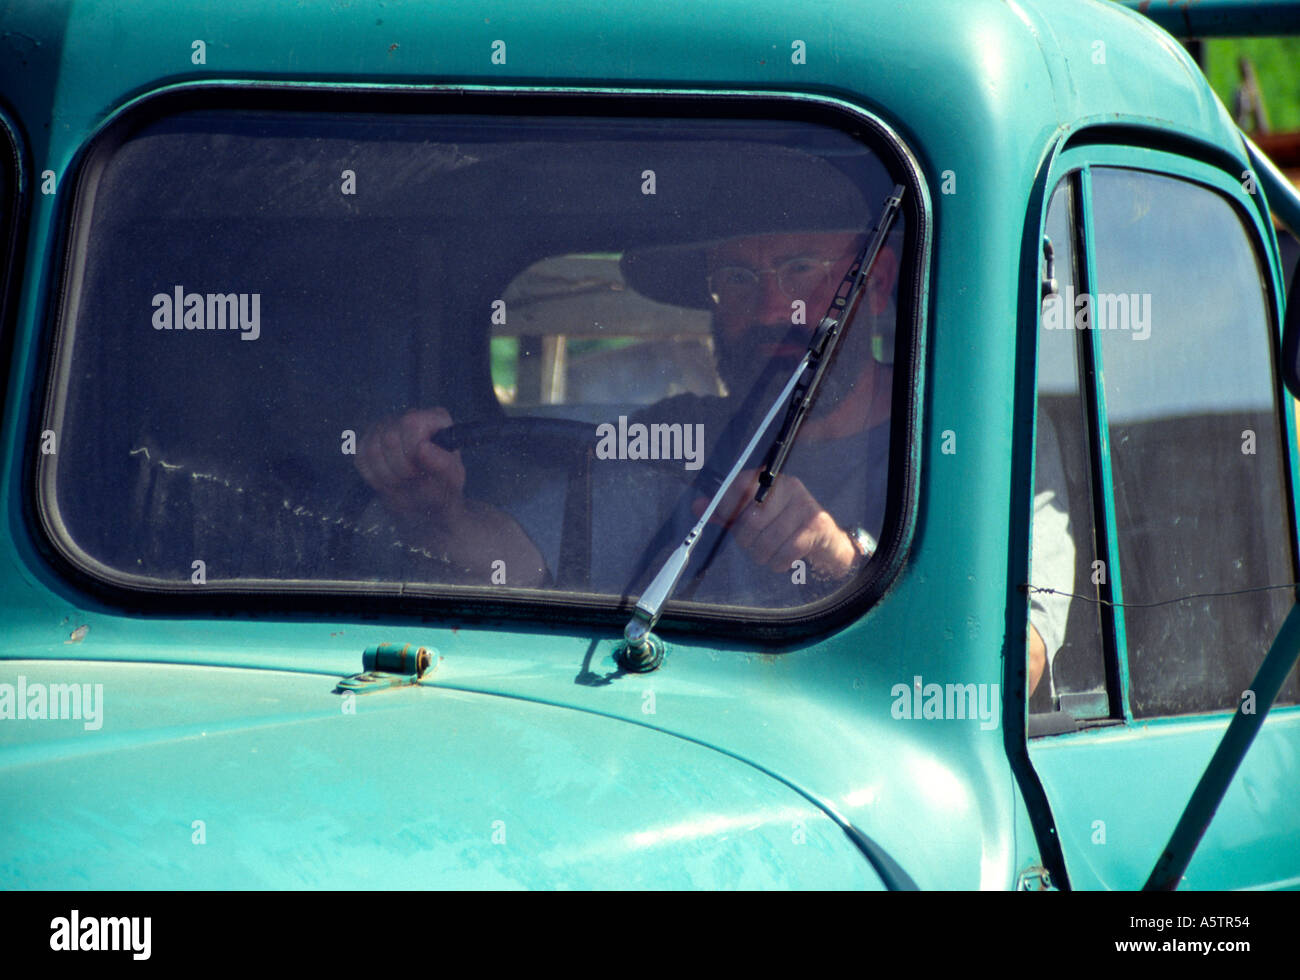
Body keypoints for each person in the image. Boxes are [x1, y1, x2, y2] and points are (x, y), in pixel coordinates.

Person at [355, 223, 1072, 696]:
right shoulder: (681, 434)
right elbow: (519, 561)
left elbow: (1008, 668)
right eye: (735, 277)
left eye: (799, 268)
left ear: (878, 283)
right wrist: (433, 512)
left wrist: (840, 563)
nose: (768, 308)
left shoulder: (974, 436)